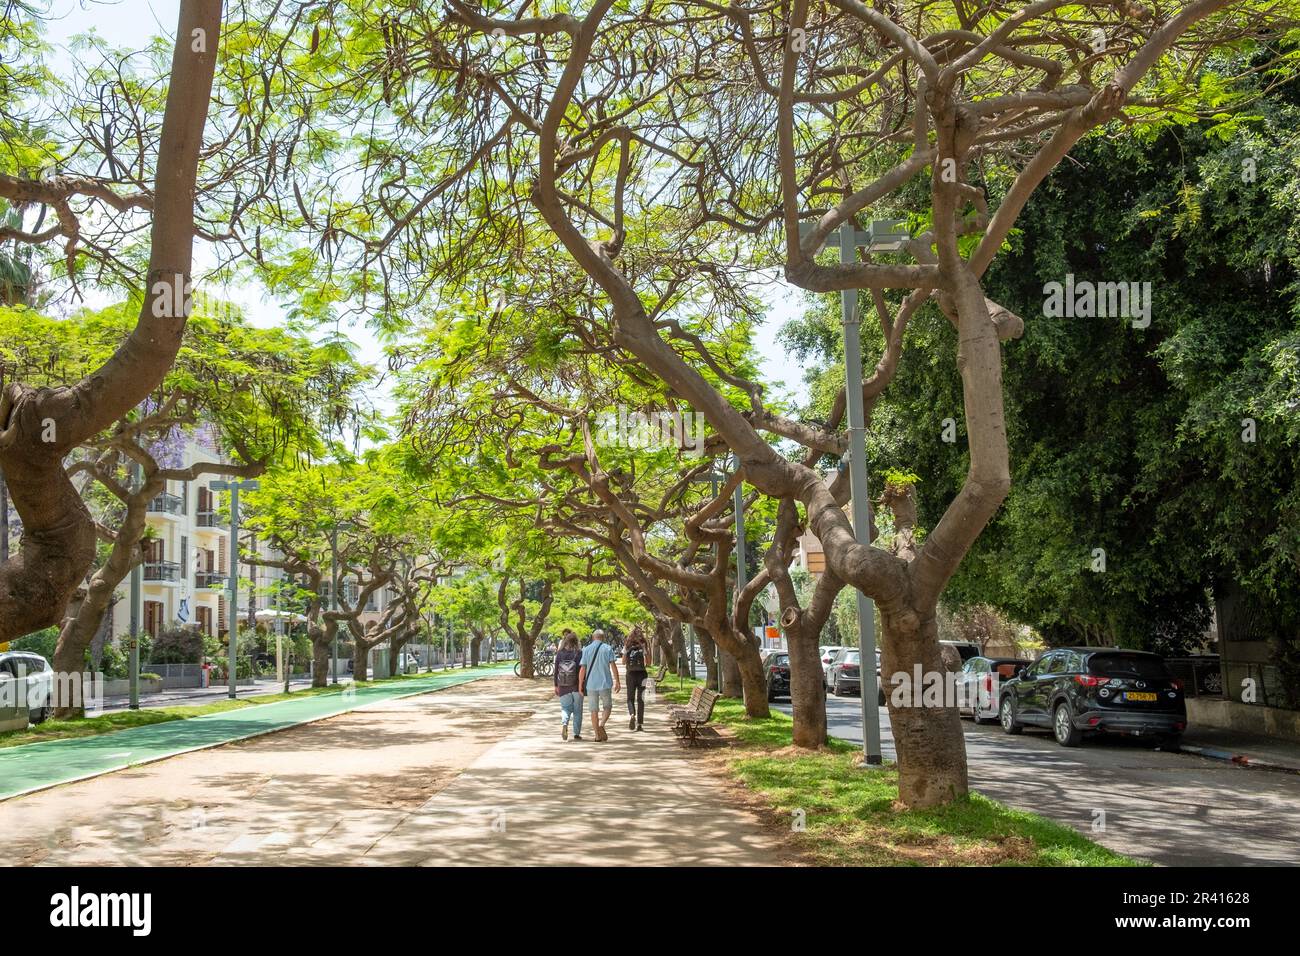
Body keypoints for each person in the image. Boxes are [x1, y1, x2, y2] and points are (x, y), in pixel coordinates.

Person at [578, 628, 620, 742]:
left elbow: (582, 668)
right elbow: (613, 666)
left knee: (593, 710)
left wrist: (580, 685)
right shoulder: (608, 648)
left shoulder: (586, 649)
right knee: (607, 706)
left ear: (593, 637)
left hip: (591, 684)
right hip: (605, 683)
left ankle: (597, 735)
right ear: (603, 637)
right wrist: (617, 681)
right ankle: (602, 724)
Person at [554, 630, 584, 741]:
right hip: (576, 686)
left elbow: (556, 670)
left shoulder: (560, 653)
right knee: (577, 710)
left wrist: (556, 685)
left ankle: (565, 723)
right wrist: (582, 685)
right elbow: (582, 670)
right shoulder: (579, 653)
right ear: (576, 641)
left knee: (565, 708)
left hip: (563, 686)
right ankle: (576, 733)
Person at [622, 627, 650, 731]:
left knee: (630, 698)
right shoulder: (643, 644)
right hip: (642, 674)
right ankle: (639, 724)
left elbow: (623, 662)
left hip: (630, 674)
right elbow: (649, 662)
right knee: (641, 699)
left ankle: (632, 714)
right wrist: (645, 650)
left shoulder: (627, 645)